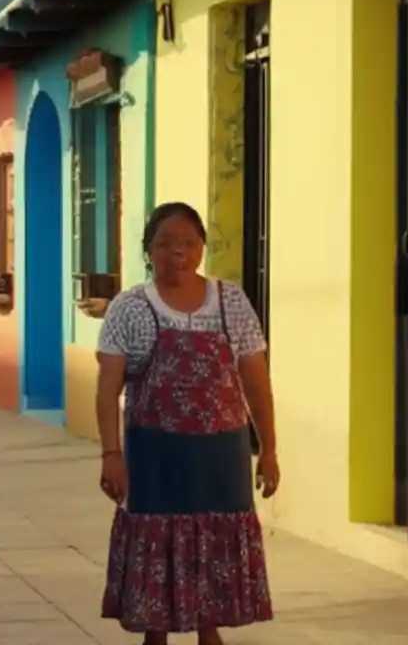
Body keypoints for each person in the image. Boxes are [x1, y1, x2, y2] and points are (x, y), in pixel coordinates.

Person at [95, 202, 280, 645]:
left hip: (221, 455)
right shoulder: (130, 308)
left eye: (188, 243)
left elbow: (255, 380)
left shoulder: (230, 301)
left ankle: (208, 631)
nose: (177, 252)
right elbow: (107, 389)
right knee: (157, 544)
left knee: (213, 542)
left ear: (201, 248)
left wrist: (269, 449)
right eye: (165, 244)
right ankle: (155, 634)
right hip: (155, 456)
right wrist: (110, 455)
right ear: (147, 252)